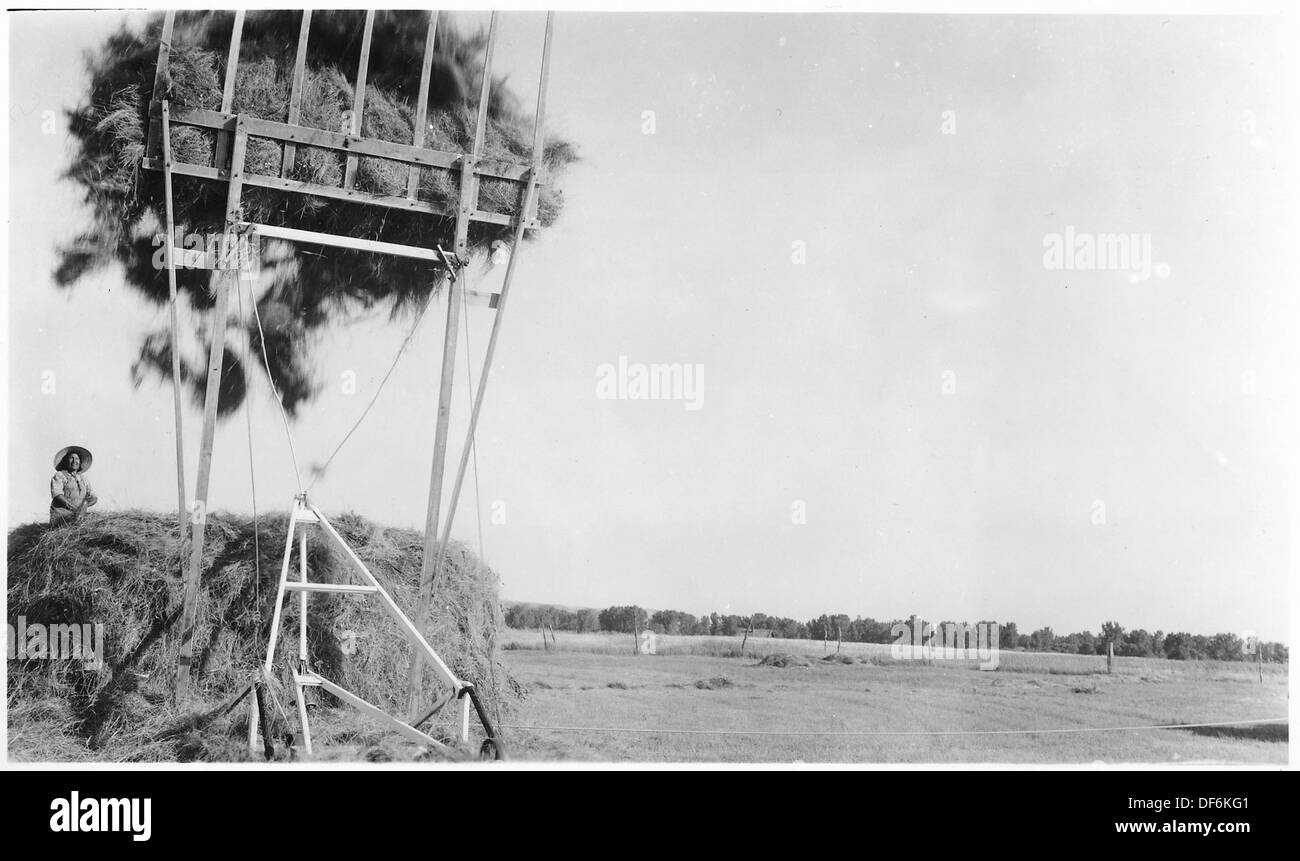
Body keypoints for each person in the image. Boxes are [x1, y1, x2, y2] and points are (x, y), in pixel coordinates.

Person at [50, 445, 97, 526]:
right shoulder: (60, 475)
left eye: (77, 459)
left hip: (79, 515)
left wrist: (84, 507)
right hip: (62, 515)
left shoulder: (83, 478)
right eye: (71, 458)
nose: (74, 461)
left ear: (80, 463)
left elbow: (93, 497)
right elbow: (58, 495)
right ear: (65, 461)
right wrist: (75, 509)